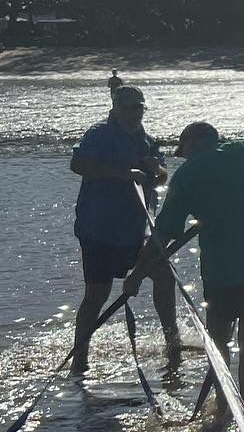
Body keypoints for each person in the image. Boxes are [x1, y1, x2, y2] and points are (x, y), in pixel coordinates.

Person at [123, 123, 244, 418]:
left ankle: (224, 406)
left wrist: (136, 275)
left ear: (192, 144)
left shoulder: (187, 176)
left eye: (184, 152)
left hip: (222, 272)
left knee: (219, 341)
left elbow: (163, 234)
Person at [69, 82, 179, 374]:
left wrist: (156, 172)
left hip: (139, 231)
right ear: (115, 110)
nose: (134, 114)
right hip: (99, 230)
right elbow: (78, 163)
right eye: (128, 109)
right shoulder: (99, 135)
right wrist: (122, 174)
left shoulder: (149, 142)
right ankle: (79, 360)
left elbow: (163, 176)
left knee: (166, 280)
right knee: (96, 295)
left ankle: (173, 347)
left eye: (138, 109)